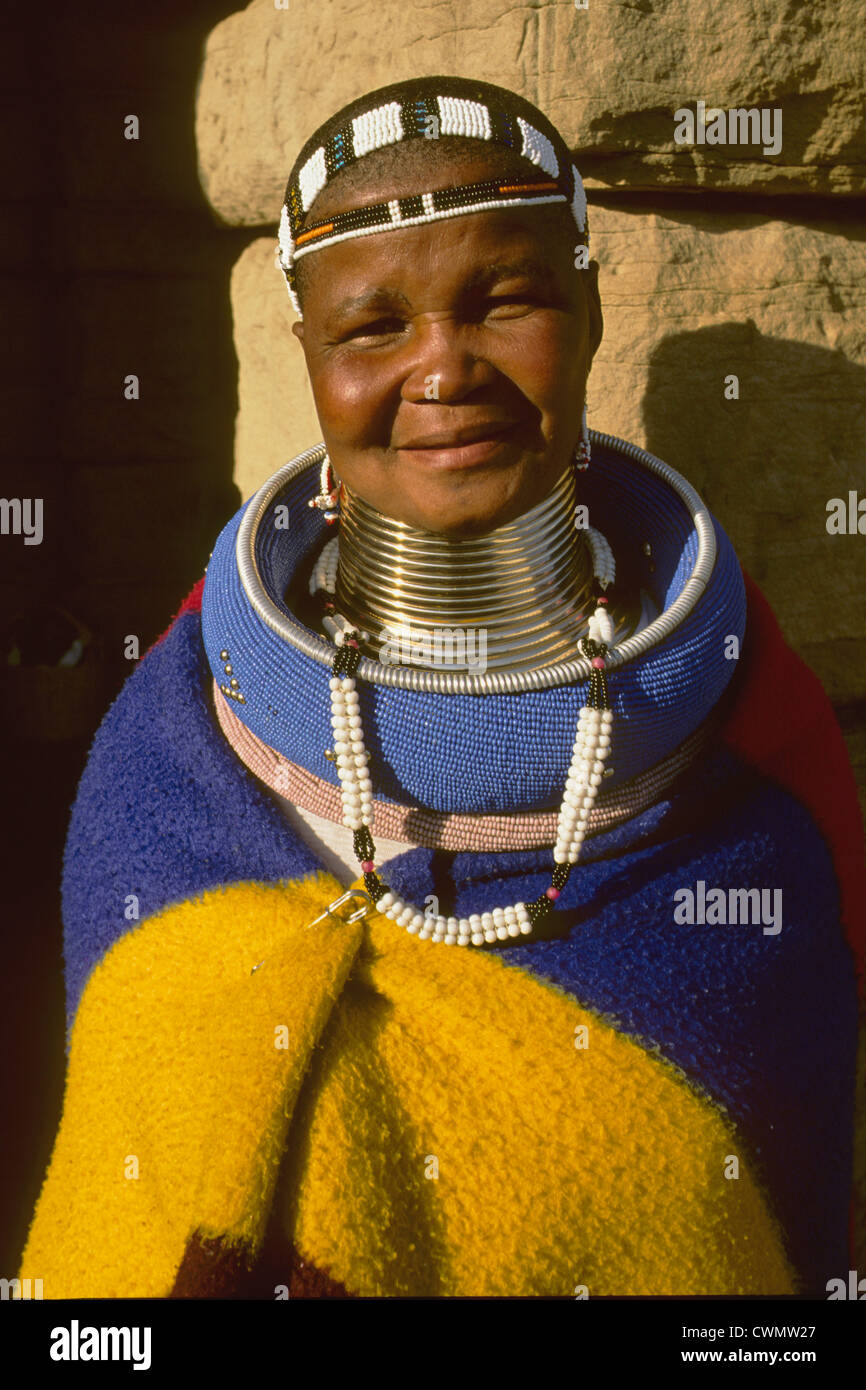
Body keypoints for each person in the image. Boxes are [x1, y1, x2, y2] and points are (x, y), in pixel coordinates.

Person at [19, 76, 865, 1299]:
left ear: (586, 308)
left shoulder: (747, 768)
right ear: (305, 349)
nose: (441, 368)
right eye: (371, 326)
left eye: (503, 300)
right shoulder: (177, 744)